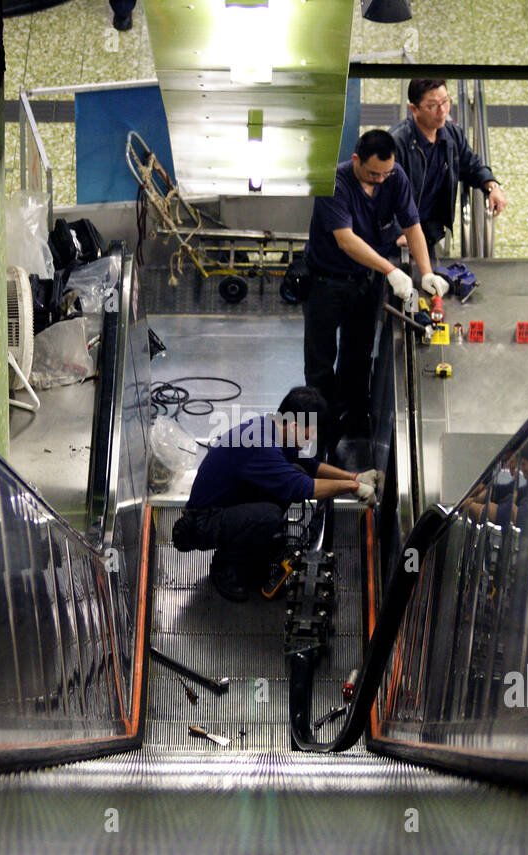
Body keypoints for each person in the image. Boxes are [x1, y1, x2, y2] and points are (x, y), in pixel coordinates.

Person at [304, 129, 451, 454]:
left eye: (386, 173)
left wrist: (426, 273)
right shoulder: (335, 183)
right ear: (356, 160)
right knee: (321, 360)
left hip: (364, 283)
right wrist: (391, 269)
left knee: (357, 356)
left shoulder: (393, 176)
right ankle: (321, 430)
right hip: (326, 282)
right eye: (373, 173)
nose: (381, 180)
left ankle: (354, 423)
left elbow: (412, 225)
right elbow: (346, 240)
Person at [171, 387, 382, 602]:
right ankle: (225, 566)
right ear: (294, 426)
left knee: (296, 471)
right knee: (269, 515)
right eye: (309, 434)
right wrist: (353, 489)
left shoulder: (272, 428)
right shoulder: (261, 444)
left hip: (226, 504)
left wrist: (354, 477)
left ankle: (248, 541)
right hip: (201, 523)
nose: (310, 441)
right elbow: (304, 488)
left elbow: (307, 465)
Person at [390, 79, 509, 256]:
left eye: (445, 102)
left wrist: (492, 186)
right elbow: (381, 194)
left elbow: (471, 166)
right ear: (414, 109)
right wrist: (398, 233)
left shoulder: (452, 135)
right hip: (398, 237)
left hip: (429, 232)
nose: (442, 111)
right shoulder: (397, 143)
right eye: (432, 106)